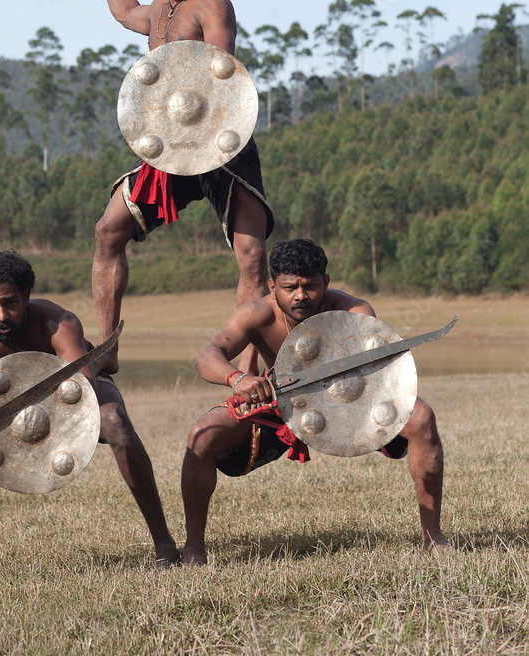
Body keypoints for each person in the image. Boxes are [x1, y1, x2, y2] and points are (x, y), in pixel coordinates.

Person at [0, 250, 179, 570]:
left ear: (26, 296)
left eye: (10, 303)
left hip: (69, 387)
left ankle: (164, 545)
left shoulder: (59, 322)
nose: (1, 315)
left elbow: (81, 393)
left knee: (116, 422)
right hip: (3, 397)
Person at [180, 238, 448, 565]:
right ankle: (194, 547)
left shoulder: (354, 311)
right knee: (201, 435)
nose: (300, 296)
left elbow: (375, 372)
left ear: (326, 283)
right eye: (290, 287)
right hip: (280, 402)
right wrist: (240, 380)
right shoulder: (255, 314)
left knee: (421, 418)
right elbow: (208, 356)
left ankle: (432, 535)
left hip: (348, 402)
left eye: (310, 286)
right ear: (272, 286)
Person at [83, 0, 274, 373]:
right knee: (109, 231)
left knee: (251, 255)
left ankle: (248, 372)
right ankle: (106, 351)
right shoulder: (156, 10)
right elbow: (127, 13)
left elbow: (218, 69)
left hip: (220, 143)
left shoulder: (213, 4)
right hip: (169, 146)